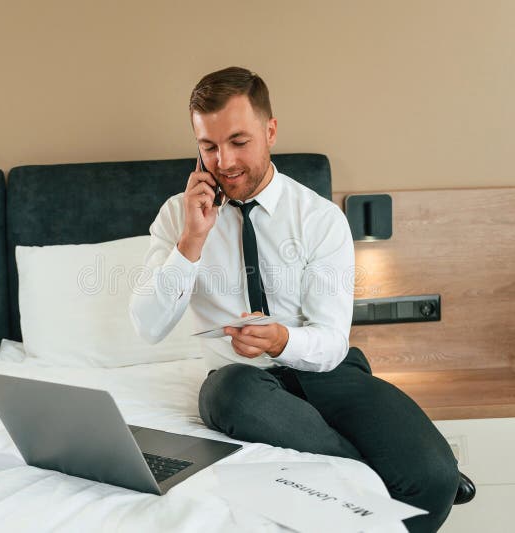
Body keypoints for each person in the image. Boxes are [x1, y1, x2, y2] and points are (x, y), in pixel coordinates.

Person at [130, 66, 460, 532]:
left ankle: (383, 482)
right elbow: (148, 326)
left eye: (239, 142)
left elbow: (330, 343)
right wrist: (192, 241)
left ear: (271, 131)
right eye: (208, 146)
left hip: (328, 374)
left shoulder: (320, 219)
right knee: (228, 391)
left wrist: (281, 340)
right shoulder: (177, 218)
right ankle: (370, 477)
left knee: (435, 477)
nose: (224, 161)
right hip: (244, 385)